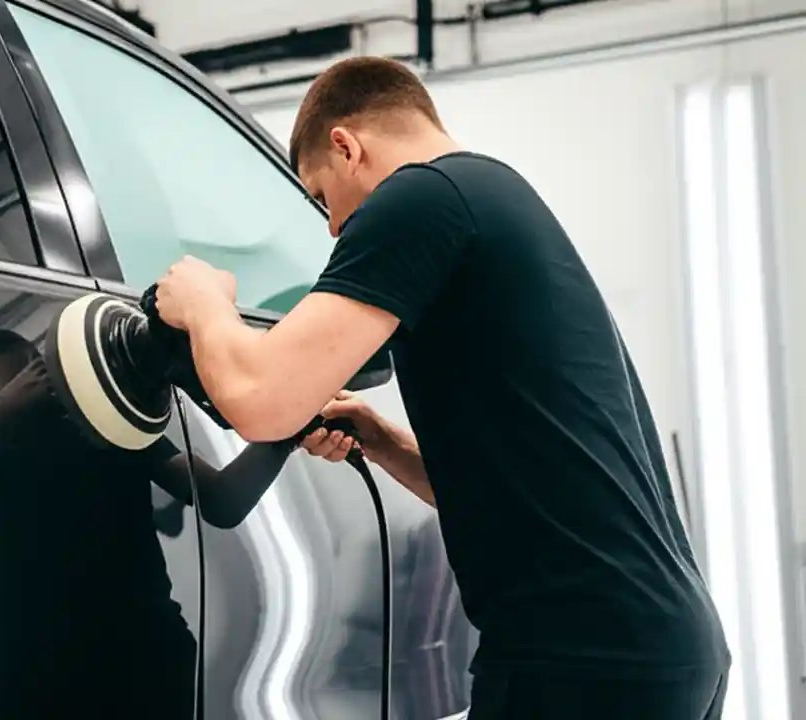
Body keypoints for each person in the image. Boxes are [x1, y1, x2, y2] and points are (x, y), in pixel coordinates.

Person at [153, 57, 729, 718]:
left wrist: (205, 305)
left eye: (320, 198)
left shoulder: (419, 199)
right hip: (661, 649)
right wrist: (386, 442)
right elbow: (525, 488)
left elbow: (259, 399)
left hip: (580, 657)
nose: (334, 227)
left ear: (346, 146)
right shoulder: (494, 198)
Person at [0, 328, 294, 718]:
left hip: (139, 665)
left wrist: (288, 428)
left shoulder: (107, 417)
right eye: (23, 365)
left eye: (38, 358)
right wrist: (2, 414)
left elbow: (221, 499)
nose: (40, 370)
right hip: (12, 673)